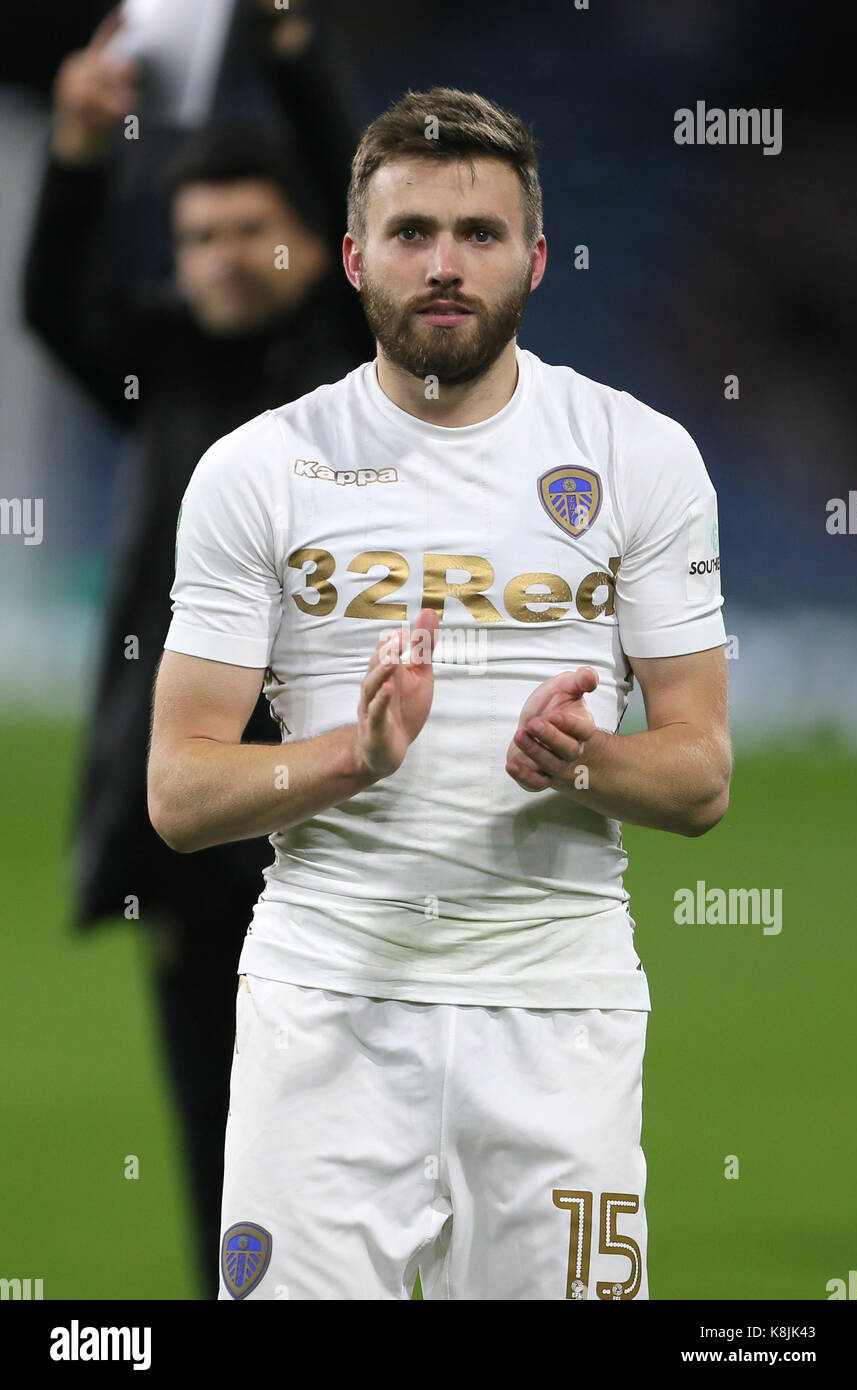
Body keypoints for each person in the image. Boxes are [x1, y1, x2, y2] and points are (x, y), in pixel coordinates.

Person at [147, 85, 731, 1301]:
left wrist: (583, 760)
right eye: (411, 232)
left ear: (536, 257)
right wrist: (350, 758)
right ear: (354, 258)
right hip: (324, 1006)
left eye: (479, 233)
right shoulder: (258, 470)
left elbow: (699, 778)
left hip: (556, 1010)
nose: (445, 265)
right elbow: (180, 793)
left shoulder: (639, 455)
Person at [21, 3, 371, 1292]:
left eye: (247, 232)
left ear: (315, 243)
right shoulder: (160, 360)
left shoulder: (351, 365)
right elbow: (51, 305)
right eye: (196, 236)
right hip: (186, 806)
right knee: (216, 1130)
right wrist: (75, 154)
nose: (220, 259)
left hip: (342, 802)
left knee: (357, 1136)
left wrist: (291, 54)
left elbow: (367, 221)